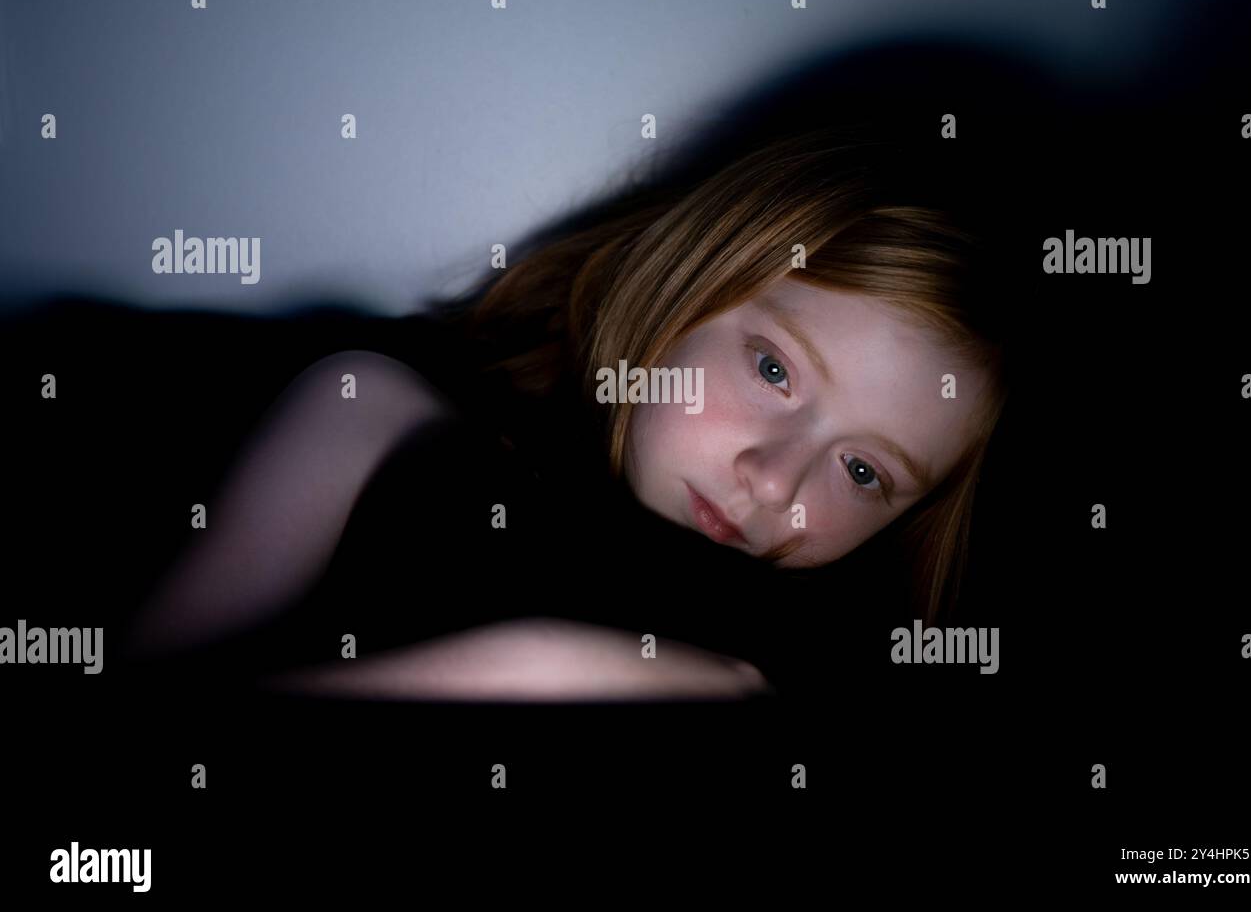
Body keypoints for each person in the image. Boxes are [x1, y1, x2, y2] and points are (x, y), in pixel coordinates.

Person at [124, 122, 1011, 701]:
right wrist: (546, 667)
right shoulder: (372, 410)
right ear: (686, 288)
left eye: (864, 472)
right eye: (774, 370)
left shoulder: (826, 668)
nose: (773, 483)